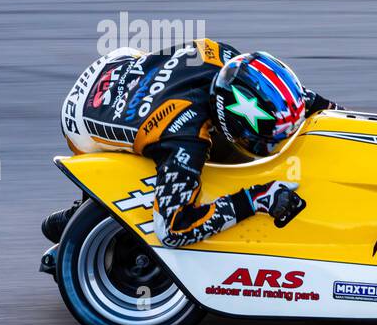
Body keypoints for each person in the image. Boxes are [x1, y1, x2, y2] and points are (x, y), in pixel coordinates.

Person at [44, 39, 340, 248]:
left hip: (118, 67)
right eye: (269, 138)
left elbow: (274, 89)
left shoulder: (228, 59)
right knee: (216, 171)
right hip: (82, 118)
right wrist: (254, 199)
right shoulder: (186, 139)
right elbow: (172, 231)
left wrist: (329, 109)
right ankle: (80, 216)